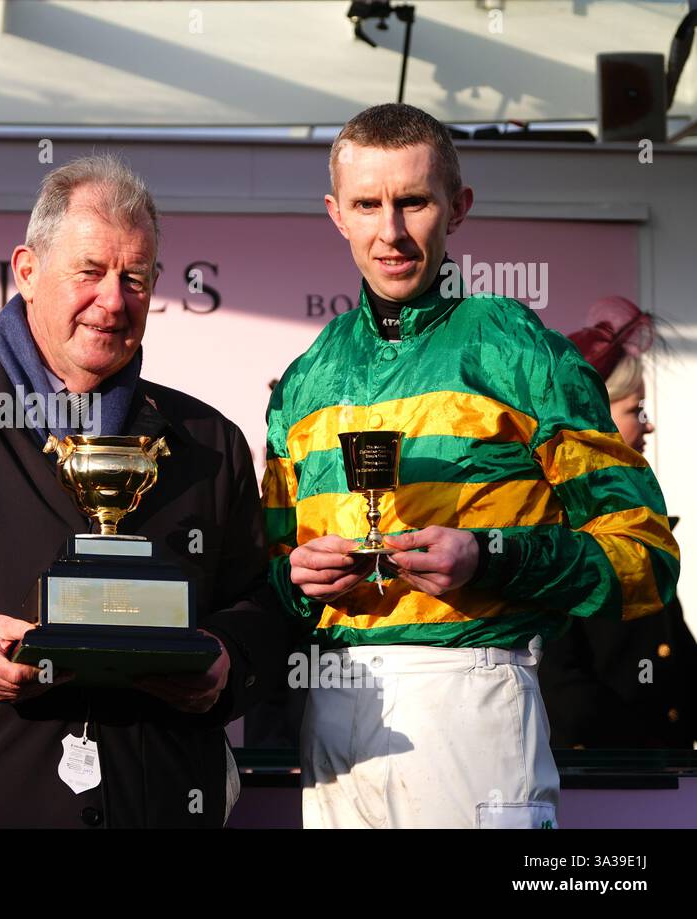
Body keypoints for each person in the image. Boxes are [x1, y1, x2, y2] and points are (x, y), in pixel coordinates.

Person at [0, 154, 288, 828]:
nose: (113, 300)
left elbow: (261, 608)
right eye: (90, 272)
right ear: (28, 271)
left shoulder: (207, 443)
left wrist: (226, 661)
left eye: (134, 277)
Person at [262, 103, 680, 828]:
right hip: (333, 709)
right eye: (368, 204)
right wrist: (297, 582)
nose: (390, 232)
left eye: (413, 202)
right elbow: (267, 580)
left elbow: (645, 557)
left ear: (458, 207)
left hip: (475, 699)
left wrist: (491, 557)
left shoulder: (521, 352)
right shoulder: (302, 382)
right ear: (336, 213)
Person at [539, 297, 697, 748]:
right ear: (595, 420)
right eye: (635, 410)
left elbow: (676, 667)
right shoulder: (555, 537)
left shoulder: (633, 529)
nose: (648, 428)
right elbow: (563, 692)